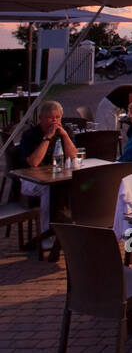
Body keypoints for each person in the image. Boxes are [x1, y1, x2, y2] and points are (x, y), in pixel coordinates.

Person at [16, 100, 77, 253]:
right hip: (30, 180)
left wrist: (65, 137)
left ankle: (71, 232)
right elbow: (34, 163)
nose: (54, 121)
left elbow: (73, 157)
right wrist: (48, 138)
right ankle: (46, 235)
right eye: (50, 118)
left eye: (57, 117)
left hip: (56, 178)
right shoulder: (30, 135)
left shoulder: (66, 131)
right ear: (41, 119)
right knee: (48, 190)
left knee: (76, 186)